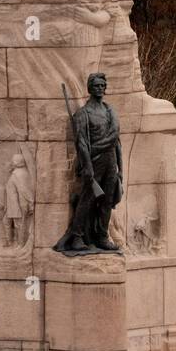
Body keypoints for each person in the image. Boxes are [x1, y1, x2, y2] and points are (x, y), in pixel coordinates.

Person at [54, 72, 123, 254]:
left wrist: (119, 168)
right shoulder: (83, 114)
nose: (100, 88)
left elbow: (115, 136)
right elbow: (82, 144)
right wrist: (88, 166)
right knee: (87, 200)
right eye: (96, 85)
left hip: (110, 161)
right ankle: (77, 236)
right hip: (94, 163)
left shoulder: (110, 111)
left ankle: (101, 236)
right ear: (90, 88)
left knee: (107, 201)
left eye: (102, 85)